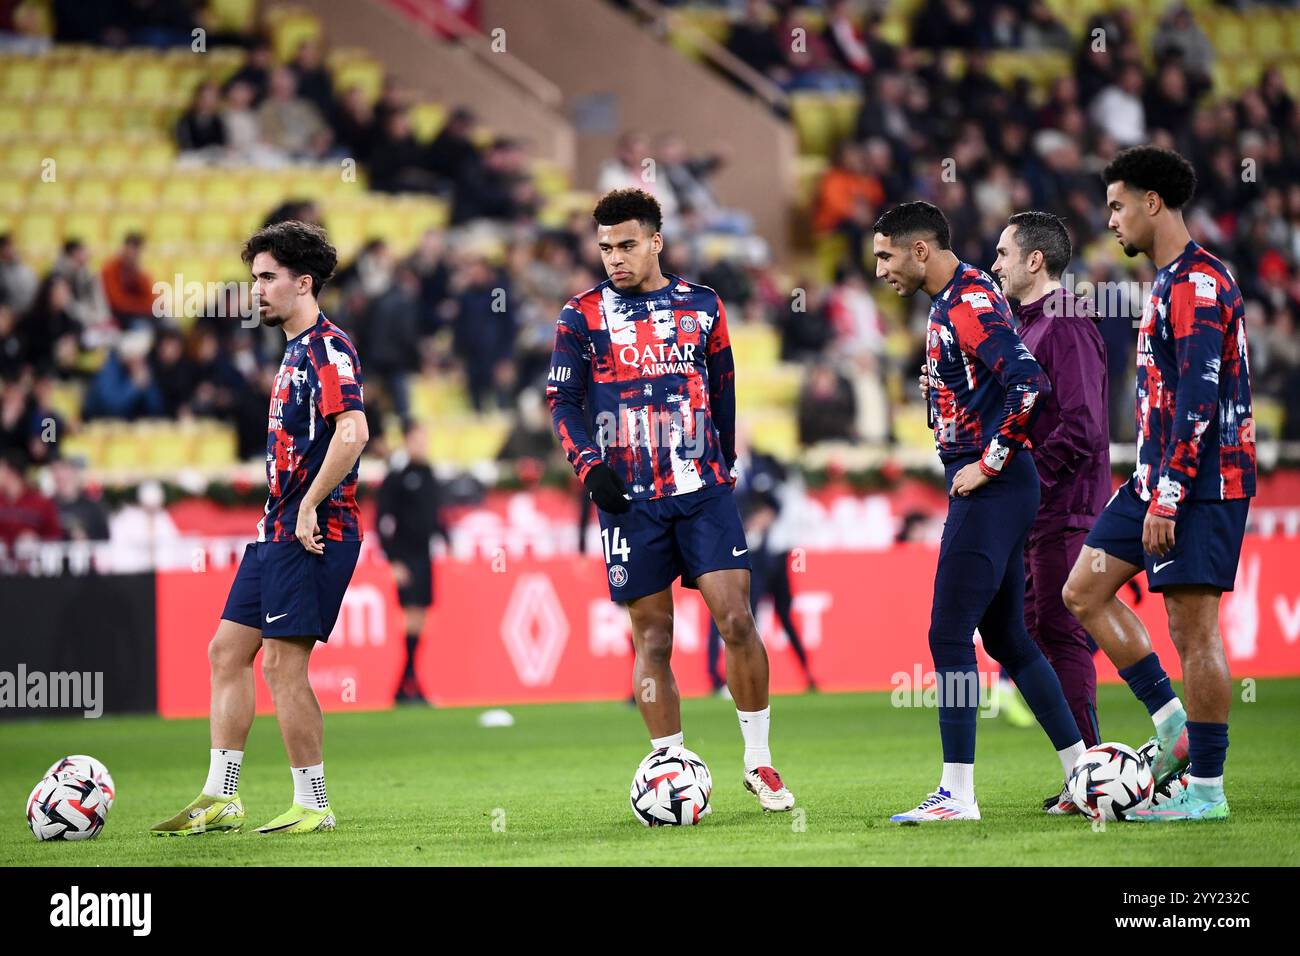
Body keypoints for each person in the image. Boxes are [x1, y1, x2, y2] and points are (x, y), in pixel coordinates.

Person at [546, 188, 795, 813]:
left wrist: (727, 463)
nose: (615, 258)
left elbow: (724, 388)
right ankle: (668, 758)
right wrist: (588, 466)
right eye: (605, 247)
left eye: (627, 244)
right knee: (652, 638)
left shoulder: (702, 306)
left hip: (702, 488)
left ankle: (759, 761)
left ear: (656, 240)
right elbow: (562, 402)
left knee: (735, 619)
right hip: (629, 500)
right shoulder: (580, 315)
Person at [151, 221, 368, 836]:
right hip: (278, 528)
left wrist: (308, 506)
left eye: (268, 278)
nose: (257, 290)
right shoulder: (295, 350)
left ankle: (313, 803)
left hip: (313, 530)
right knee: (226, 652)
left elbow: (353, 432)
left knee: (281, 665)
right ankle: (223, 796)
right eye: (254, 279)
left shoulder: (328, 347)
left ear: (304, 284)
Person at [874, 200, 1084, 822]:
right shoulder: (958, 300)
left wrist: (988, 462)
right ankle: (1082, 772)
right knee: (1007, 636)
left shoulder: (966, 301)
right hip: (998, 485)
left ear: (919, 251)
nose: (879, 268)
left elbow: (1028, 383)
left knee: (947, 632)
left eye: (886, 255)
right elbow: (995, 382)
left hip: (991, 485)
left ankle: (958, 795)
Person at [1062, 146, 1255, 822]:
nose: (1109, 220)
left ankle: (1206, 793)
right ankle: (1172, 728)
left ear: (1151, 203)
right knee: (1082, 590)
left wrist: (1169, 494)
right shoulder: (1169, 282)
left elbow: (1200, 398)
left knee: (1193, 632)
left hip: (1201, 484)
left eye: (1117, 205)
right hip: (1153, 477)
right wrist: (1153, 484)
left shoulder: (1198, 284)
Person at [988, 211, 1111, 811]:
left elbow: (1084, 425)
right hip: (1041, 512)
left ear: (1035, 260)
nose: (996, 264)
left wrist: (1028, 479)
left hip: (1066, 508)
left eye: (1004, 253)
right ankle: (1085, 769)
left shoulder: (1066, 324)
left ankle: (1091, 771)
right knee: (1035, 634)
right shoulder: (1028, 326)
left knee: (1061, 634)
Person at [376, 420, 448, 705]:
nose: (423, 445)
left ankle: (408, 684)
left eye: (425, 440)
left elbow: (435, 514)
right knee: (411, 618)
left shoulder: (429, 473)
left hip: (425, 556)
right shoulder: (397, 476)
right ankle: (407, 685)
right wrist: (393, 560)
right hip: (406, 557)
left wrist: (447, 539)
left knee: (421, 618)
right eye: (418, 440)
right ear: (407, 441)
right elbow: (382, 521)